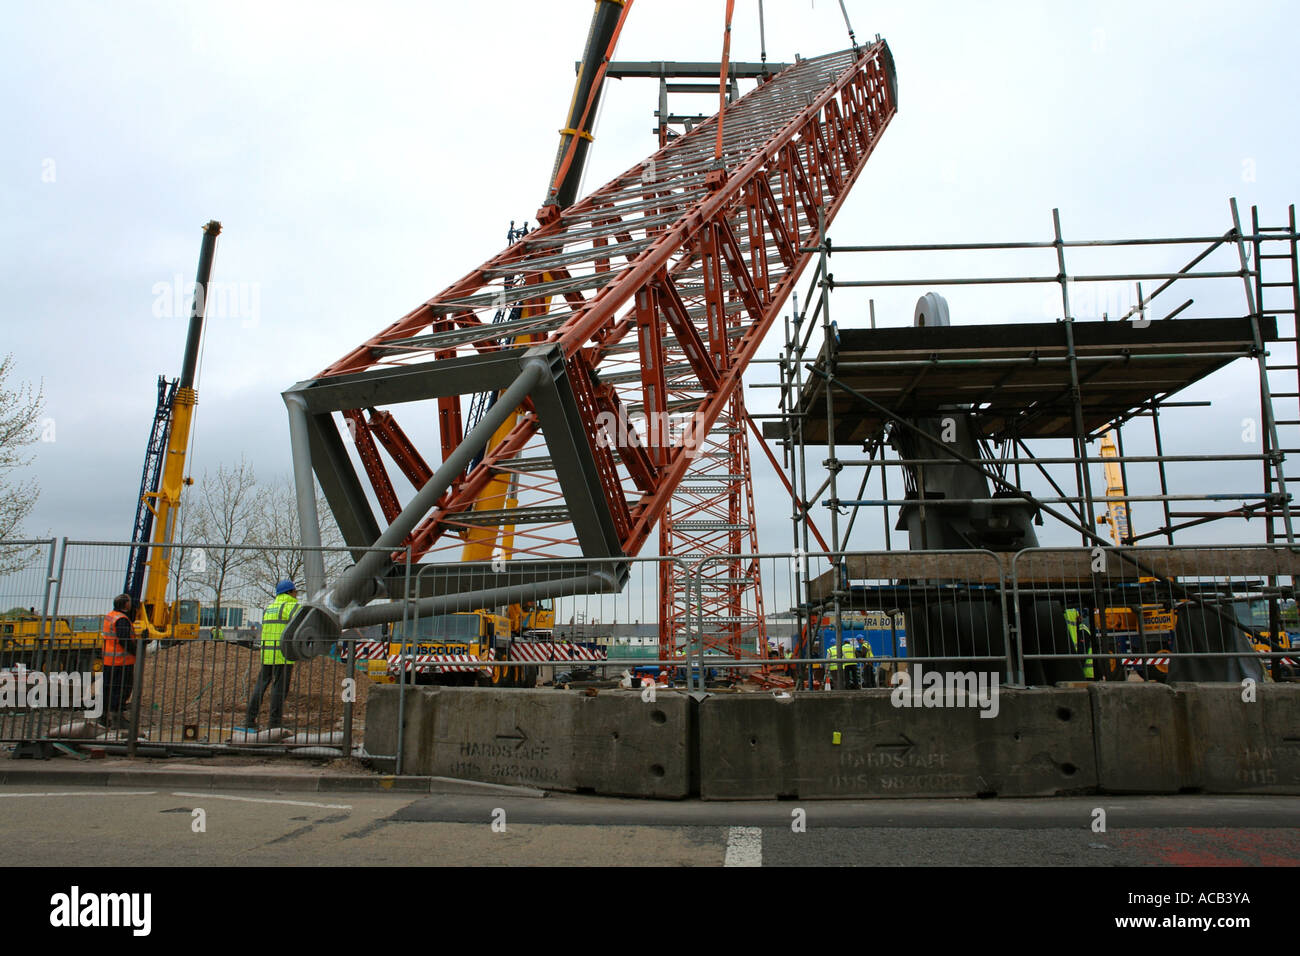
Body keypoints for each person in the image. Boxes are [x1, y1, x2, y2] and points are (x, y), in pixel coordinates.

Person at [244, 579, 298, 731]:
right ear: (290, 592)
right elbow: (304, 621)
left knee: (261, 685)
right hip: (283, 653)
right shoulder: (292, 606)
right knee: (279, 688)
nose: (297, 594)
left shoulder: (270, 607)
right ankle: (274, 722)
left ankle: (249, 719)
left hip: (267, 652)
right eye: (295, 591)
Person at [100, 593, 137, 730]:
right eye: (129, 602)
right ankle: (117, 718)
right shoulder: (121, 619)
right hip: (121, 661)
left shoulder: (110, 616)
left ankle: (104, 717)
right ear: (126, 604)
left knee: (108, 688)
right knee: (122, 689)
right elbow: (124, 640)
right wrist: (136, 651)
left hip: (109, 661)